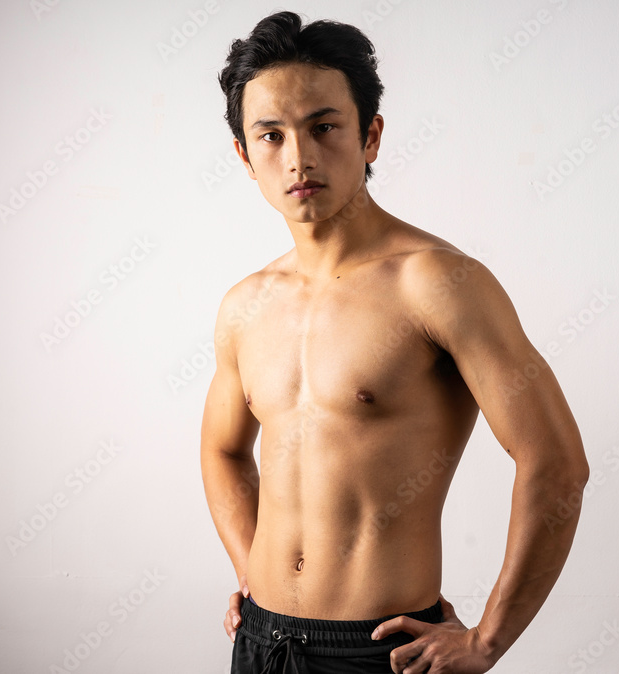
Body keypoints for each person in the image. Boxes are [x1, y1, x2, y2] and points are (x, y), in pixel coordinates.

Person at [201, 10, 589, 673]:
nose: (299, 157)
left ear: (370, 134)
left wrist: (486, 640)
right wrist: (250, 567)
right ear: (245, 154)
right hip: (261, 642)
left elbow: (555, 462)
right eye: (271, 135)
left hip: (382, 651)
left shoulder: (437, 283)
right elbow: (223, 450)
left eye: (324, 127)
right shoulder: (245, 304)